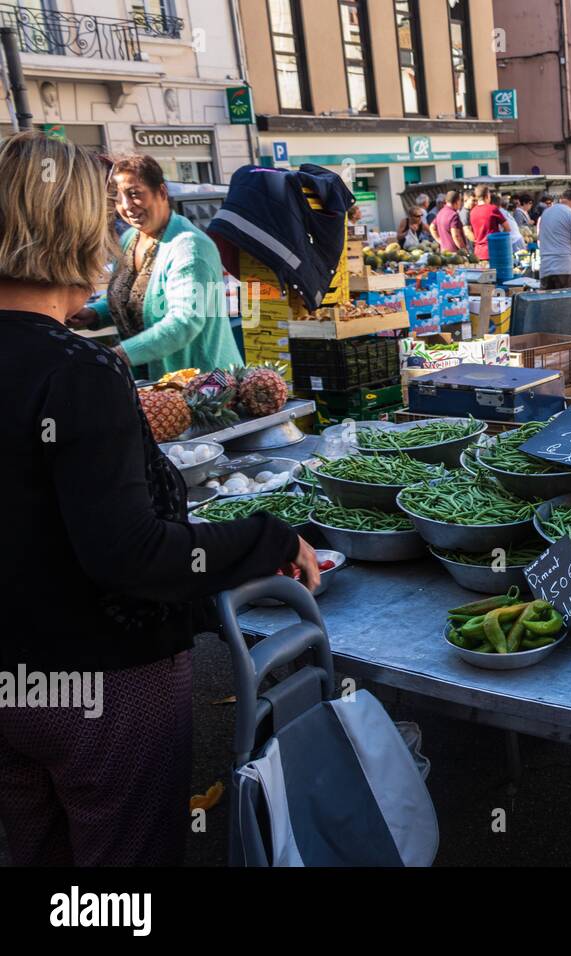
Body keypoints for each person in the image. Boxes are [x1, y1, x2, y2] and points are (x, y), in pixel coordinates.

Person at [0, 130, 319, 867]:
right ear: (76, 229)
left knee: (39, 856)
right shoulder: (77, 373)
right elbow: (130, 555)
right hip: (98, 689)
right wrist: (262, 539)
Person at [69, 153, 242, 381]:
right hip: (153, 384)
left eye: (134, 194)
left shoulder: (190, 247)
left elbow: (184, 323)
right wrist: (94, 313)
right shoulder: (131, 238)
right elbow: (134, 295)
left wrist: (119, 355)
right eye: (117, 198)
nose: (126, 206)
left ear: (161, 192)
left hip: (204, 386)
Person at [538, 187, 571, 289]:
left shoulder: (545, 213)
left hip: (546, 270)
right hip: (566, 270)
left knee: (549, 304)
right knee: (570, 304)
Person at [468, 185, 509, 261]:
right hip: (493, 251)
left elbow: (472, 231)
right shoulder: (492, 209)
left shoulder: (472, 212)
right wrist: (499, 240)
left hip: (477, 254)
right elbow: (507, 228)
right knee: (494, 272)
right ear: (487, 196)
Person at [434, 188, 468, 254]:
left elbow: (432, 227)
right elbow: (456, 236)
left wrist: (440, 241)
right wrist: (464, 251)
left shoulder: (440, 212)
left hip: (443, 251)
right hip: (454, 253)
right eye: (461, 200)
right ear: (457, 201)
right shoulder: (454, 215)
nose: (461, 203)